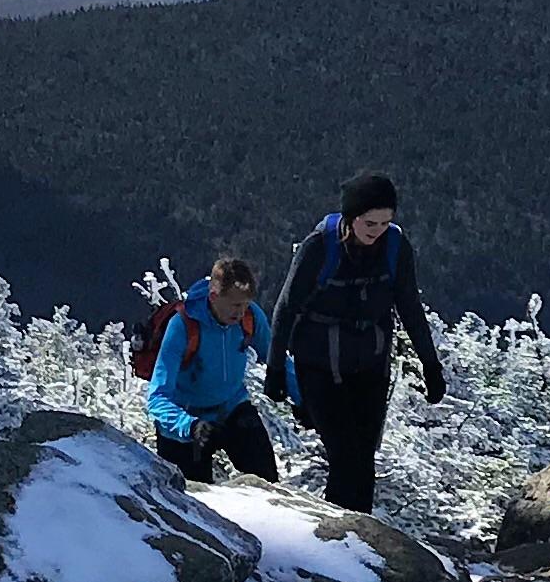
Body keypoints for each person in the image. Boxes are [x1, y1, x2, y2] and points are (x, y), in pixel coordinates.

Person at [262, 170, 443, 517]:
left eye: (385, 223)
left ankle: (356, 538)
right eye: (370, 223)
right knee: (345, 457)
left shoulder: (395, 248)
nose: (377, 233)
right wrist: (275, 368)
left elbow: (409, 306)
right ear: (351, 217)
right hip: (318, 365)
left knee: (363, 460)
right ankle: (339, 540)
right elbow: (286, 307)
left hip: (370, 366)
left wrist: (430, 364)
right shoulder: (319, 247)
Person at [146, 253, 277, 485]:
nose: (241, 312)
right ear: (214, 297)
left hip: (232, 408)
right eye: (236, 305)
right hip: (187, 419)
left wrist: (306, 399)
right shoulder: (183, 326)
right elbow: (156, 397)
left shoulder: (251, 316)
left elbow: (277, 362)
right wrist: (189, 425)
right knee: (191, 503)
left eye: (246, 304)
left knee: (266, 481)